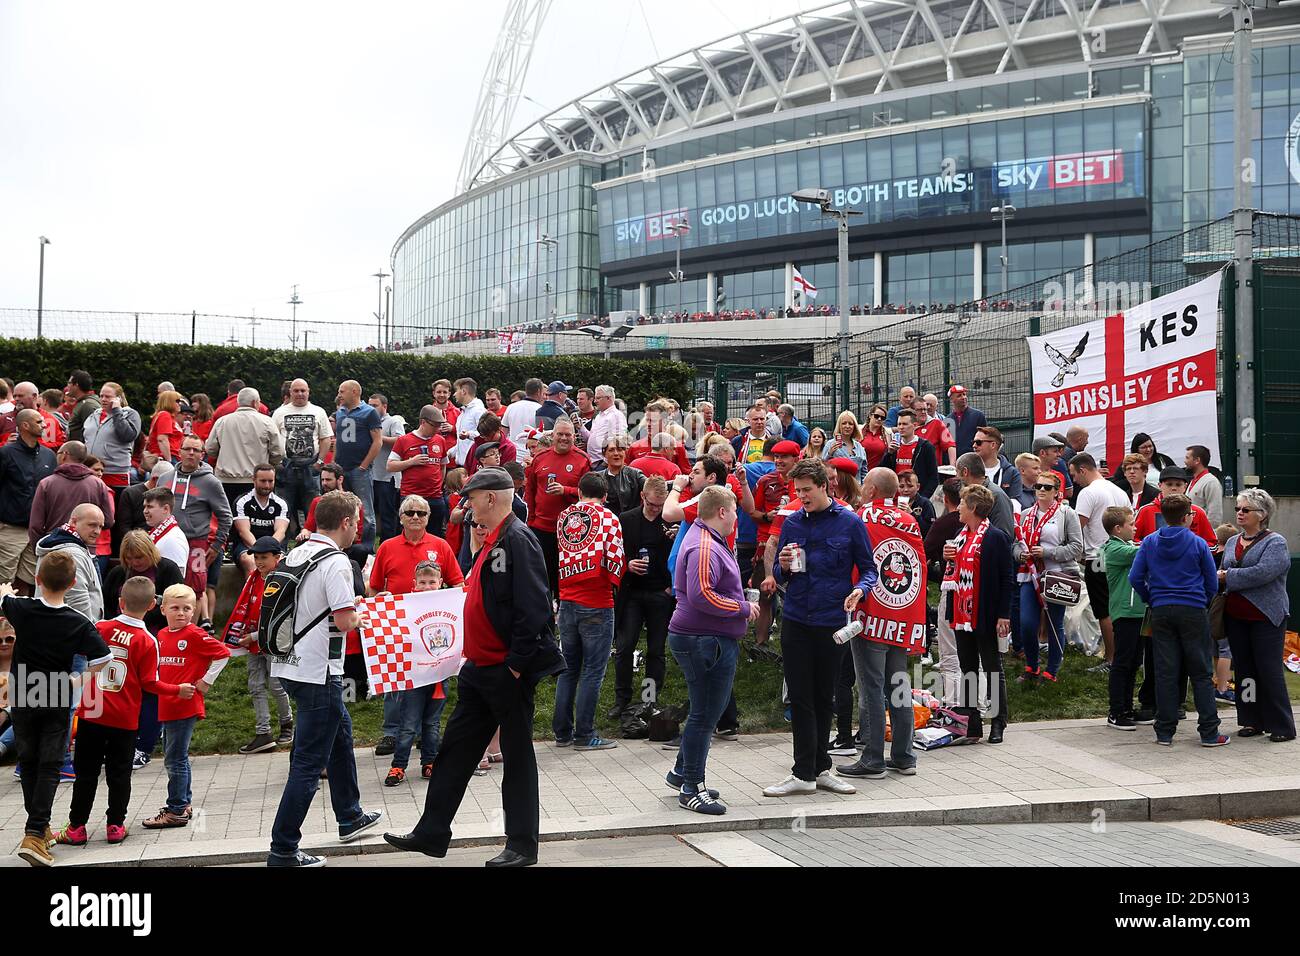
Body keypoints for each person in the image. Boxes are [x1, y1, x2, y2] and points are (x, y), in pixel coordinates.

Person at [384, 467, 563, 867]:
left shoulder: (518, 540)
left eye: (472, 497)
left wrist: (515, 666)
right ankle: (432, 832)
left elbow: (535, 609)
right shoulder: (491, 541)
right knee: (455, 751)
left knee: (517, 758)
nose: (467, 505)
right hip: (479, 669)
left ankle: (521, 845)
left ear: (492, 498)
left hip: (504, 670)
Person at [267, 490, 384, 867]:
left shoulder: (298, 552)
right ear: (347, 523)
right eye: (358, 521)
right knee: (306, 763)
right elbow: (344, 619)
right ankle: (284, 848)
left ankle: (349, 814)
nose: (359, 528)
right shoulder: (335, 561)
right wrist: (369, 614)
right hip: (318, 670)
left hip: (289, 663)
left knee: (341, 733)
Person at [762, 460, 876, 797]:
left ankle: (820, 768)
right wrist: (780, 568)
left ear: (825, 486)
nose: (801, 497)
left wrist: (860, 590)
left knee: (824, 695)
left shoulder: (850, 523)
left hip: (831, 620)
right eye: (797, 491)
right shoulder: (794, 522)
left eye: (807, 490)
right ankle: (802, 772)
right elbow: (785, 575)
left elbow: (870, 569)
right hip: (797, 617)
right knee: (800, 695)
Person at [57, 577, 194, 849]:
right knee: (119, 775)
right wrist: (176, 689)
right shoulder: (147, 640)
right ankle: (115, 826)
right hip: (125, 718)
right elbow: (149, 683)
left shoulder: (100, 627)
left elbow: (80, 655)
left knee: (86, 773)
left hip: (92, 713)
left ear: (120, 602)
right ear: (154, 605)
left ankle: (76, 827)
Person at [1, 554, 112, 866]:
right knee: (50, 764)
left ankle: (39, 828)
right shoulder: (77, 622)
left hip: (23, 694)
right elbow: (103, 658)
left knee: (29, 762)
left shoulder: (21, 609)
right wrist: (79, 681)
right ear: (73, 583)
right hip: (57, 696)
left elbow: (3, 598)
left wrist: (7, 591)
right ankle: (35, 832)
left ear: (37, 580)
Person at [666, 484, 756, 814]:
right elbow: (702, 595)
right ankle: (692, 787)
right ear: (721, 511)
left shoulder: (707, 539)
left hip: (704, 638)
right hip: (704, 638)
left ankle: (681, 773)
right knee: (705, 715)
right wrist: (743, 608)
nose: (736, 516)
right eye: (734, 510)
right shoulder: (705, 546)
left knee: (703, 710)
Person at [836, 467, 927, 778]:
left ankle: (873, 758)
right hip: (902, 614)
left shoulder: (859, 517)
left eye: (865, 484)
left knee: (871, 687)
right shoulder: (910, 521)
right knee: (899, 686)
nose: (861, 488)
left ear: (872, 490)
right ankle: (904, 756)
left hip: (871, 611)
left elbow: (850, 559)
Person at [1128, 493, 1226, 747]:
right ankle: (1209, 732)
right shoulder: (1197, 543)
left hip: (1161, 609)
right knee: (1201, 672)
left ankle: (1164, 731)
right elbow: (1211, 582)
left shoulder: (1149, 542)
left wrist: (1152, 597)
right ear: (1187, 517)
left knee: (1165, 671)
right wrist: (1202, 601)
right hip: (1193, 609)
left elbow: (1135, 577)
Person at [142, 584, 231, 829]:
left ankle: (176, 808)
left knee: (174, 759)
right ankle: (185, 803)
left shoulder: (194, 634)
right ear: (163, 610)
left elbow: (223, 653)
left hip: (184, 704)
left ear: (194, 611)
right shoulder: (161, 635)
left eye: (187, 609)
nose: (181, 613)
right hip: (167, 703)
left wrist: (205, 682)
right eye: (175, 608)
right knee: (177, 757)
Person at [552, 472, 624, 752]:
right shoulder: (609, 517)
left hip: (567, 600)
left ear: (579, 492)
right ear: (605, 495)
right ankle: (585, 734)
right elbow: (616, 560)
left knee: (568, 669)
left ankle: (562, 733)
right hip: (597, 601)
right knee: (593, 671)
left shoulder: (564, 516)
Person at [1220, 489, 1294, 743]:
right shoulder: (1232, 542)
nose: (1239, 513)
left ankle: (1281, 724)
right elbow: (1223, 568)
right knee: (1245, 670)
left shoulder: (1276, 542)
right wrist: (1225, 575)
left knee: (1269, 669)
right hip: (1236, 616)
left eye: (1245, 510)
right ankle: (1251, 720)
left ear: (1261, 515)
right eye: (1238, 509)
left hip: (1266, 616)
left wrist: (1229, 577)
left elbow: (1263, 573)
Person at [942, 484, 1014, 742]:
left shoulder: (994, 537)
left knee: (993, 667)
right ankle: (972, 723)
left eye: (961, 504)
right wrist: (946, 558)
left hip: (983, 612)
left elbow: (1007, 578)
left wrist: (1003, 615)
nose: (958, 508)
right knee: (968, 667)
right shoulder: (960, 536)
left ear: (972, 507)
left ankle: (998, 721)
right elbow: (950, 574)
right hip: (962, 614)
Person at [611, 476, 676, 721]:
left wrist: (671, 587)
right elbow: (614, 553)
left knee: (656, 650)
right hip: (633, 592)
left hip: (660, 591)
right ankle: (622, 699)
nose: (656, 510)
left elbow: (679, 555)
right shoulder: (626, 520)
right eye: (652, 505)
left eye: (660, 505)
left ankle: (649, 699)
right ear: (643, 497)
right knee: (626, 646)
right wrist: (628, 564)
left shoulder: (670, 520)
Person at [225, 537, 295, 755]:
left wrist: (254, 636)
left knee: (277, 686)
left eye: (264, 557)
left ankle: (287, 724)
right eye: (256, 557)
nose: (259, 562)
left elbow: (284, 618)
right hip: (253, 642)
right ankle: (263, 732)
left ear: (278, 557)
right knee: (255, 686)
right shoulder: (253, 579)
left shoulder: (282, 580)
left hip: (273, 643)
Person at [384, 561, 452, 785]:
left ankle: (429, 762)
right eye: (422, 582)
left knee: (432, 723)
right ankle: (398, 766)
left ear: (440, 583)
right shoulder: (407, 604)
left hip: (440, 674)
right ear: (414, 584)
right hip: (414, 674)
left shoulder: (449, 602)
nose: (427, 586)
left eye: (432, 582)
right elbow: (390, 619)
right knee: (409, 724)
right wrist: (381, 602)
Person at [1013, 469, 1081, 683]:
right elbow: (1016, 544)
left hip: (1057, 575)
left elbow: (1077, 548)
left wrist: (1048, 552)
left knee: (1054, 623)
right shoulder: (1026, 514)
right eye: (1038, 486)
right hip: (1029, 575)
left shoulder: (1066, 514)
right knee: (1027, 623)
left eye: (1047, 487)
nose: (1041, 490)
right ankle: (1032, 666)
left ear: (1056, 491)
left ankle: (1052, 670)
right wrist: (1020, 554)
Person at [165, 435, 232, 629]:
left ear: (202, 454)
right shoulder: (165, 478)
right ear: (179, 451)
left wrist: (217, 545)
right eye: (187, 449)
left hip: (197, 543)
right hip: (167, 541)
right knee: (167, 589)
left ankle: (188, 634)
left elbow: (226, 516)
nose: (191, 453)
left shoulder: (210, 482)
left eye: (196, 450)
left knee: (195, 590)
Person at [1070, 452, 1130, 672]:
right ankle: (1123, 657)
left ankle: (1112, 659)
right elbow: (1128, 524)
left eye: (1074, 475)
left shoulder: (1088, 492)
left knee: (1104, 611)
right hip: (1119, 555)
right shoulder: (1120, 491)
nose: (1074, 480)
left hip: (1097, 558)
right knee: (1118, 609)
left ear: (1083, 470)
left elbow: (1077, 527)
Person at [524, 417, 589, 597]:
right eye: (559, 434)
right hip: (541, 527)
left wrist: (565, 491)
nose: (563, 438)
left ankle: (564, 607)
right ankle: (546, 608)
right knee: (542, 572)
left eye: (568, 434)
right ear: (552, 436)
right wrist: (531, 521)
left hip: (571, 531)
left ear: (574, 437)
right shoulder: (540, 458)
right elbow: (530, 491)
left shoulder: (583, 460)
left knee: (566, 573)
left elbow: (589, 494)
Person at [0, 410, 57, 591]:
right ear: (25, 425)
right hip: (10, 529)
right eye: (39, 421)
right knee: (4, 583)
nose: (44, 424)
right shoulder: (6, 453)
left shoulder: (49, 456)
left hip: (38, 532)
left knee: (31, 583)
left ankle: (20, 619)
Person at [1100, 506, 1146, 730]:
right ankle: (1116, 711)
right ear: (1117, 529)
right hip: (1125, 613)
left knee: (1134, 663)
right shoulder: (1114, 549)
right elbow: (1140, 553)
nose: (1135, 527)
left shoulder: (1127, 545)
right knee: (1122, 663)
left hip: (1138, 612)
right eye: (1131, 524)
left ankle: (1127, 707)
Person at [272, 378, 333, 533]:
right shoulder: (279, 413)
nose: (300, 393)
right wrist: (277, 462)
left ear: (308, 392)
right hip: (286, 468)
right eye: (296, 390)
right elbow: (271, 438)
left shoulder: (319, 411)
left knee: (314, 511)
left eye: (303, 390)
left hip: (310, 468)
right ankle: (280, 548)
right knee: (282, 510)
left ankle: (314, 547)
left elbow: (326, 438)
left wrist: (319, 462)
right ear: (290, 392)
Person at [27, 440, 116, 548]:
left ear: (64, 455)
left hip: (54, 547)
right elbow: (108, 521)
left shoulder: (46, 483)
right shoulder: (98, 484)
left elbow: (35, 526)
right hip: (86, 548)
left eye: (58, 453)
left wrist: (39, 548)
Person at [103, 530, 185, 635]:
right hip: (120, 632)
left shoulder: (169, 570)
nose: (134, 562)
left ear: (150, 552)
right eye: (129, 558)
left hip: (158, 633)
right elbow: (105, 603)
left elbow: (178, 603)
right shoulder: (118, 573)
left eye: (139, 557)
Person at [34, 503, 106, 622]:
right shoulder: (73, 555)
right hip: (73, 632)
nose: (97, 531)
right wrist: (88, 633)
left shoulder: (62, 544)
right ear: (73, 522)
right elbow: (77, 601)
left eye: (100, 527)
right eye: (92, 525)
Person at [333, 379, 383, 549]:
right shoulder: (340, 412)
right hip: (341, 468)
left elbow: (378, 442)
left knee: (366, 511)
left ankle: (368, 549)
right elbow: (338, 440)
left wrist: (364, 465)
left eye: (342, 391)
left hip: (359, 469)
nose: (339, 395)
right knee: (342, 508)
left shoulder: (369, 413)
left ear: (354, 392)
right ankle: (344, 544)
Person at [390, 406, 453, 537]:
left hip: (435, 497)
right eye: (434, 425)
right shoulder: (404, 440)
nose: (437, 429)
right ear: (423, 422)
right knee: (409, 533)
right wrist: (411, 462)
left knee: (434, 534)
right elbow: (390, 466)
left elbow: (442, 465)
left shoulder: (440, 440)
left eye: (439, 426)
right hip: (411, 496)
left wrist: (439, 485)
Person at [1134, 467, 1217, 547]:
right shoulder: (1146, 511)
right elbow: (1132, 540)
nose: (1173, 488)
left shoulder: (1197, 512)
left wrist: (1193, 548)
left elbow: (1212, 544)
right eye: (1169, 484)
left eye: (1178, 485)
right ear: (1160, 485)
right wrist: (1152, 548)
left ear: (1185, 487)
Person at [231, 465, 289, 575]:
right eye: (263, 481)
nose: (267, 485)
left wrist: (269, 550)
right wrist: (260, 550)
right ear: (254, 480)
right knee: (251, 561)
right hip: (247, 545)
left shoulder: (281, 503)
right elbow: (244, 532)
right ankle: (253, 592)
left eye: (270, 481)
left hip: (273, 546)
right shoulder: (242, 502)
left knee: (280, 562)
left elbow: (281, 532)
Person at [82, 381, 140, 492]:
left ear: (118, 398)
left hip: (115, 473)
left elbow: (128, 436)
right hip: (91, 470)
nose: (103, 399)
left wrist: (117, 412)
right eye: (101, 396)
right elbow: (84, 437)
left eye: (108, 397)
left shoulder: (130, 414)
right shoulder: (94, 414)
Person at [367, 394, 405, 543]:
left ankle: (388, 545)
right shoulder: (367, 422)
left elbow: (400, 441)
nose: (371, 409)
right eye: (369, 406)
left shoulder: (393, 421)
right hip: (370, 475)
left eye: (375, 406)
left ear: (384, 406)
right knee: (370, 513)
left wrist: (378, 437)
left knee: (387, 515)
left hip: (387, 477)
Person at [954, 452, 1014, 536]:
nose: (956, 477)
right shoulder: (966, 493)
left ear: (965, 472)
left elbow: (1005, 536)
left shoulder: (997, 495)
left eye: (957, 472)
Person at [885, 411, 938, 497]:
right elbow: (884, 471)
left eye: (905, 424)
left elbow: (933, 478)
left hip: (916, 498)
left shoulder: (925, 447)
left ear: (915, 425)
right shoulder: (893, 446)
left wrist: (922, 499)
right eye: (899, 424)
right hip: (895, 499)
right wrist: (889, 454)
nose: (901, 427)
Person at [972, 427, 1022, 504]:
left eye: (978, 442)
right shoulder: (969, 470)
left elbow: (1015, 504)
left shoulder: (1012, 473)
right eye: (973, 442)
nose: (974, 445)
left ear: (993, 445)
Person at [600, 435, 644, 517]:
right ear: (604, 454)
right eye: (611, 450)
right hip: (606, 523)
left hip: (631, 523)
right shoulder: (598, 477)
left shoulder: (635, 475)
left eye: (620, 450)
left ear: (625, 453)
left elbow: (651, 487)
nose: (616, 453)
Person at [585, 385, 628, 467]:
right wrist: (581, 428)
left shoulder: (616, 416)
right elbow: (591, 436)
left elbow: (619, 440)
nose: (595, 401)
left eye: (598, 398)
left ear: (609, 398)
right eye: (595, 398)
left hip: (603, 464)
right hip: (593, 462)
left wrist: (606, 462)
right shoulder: (599, 416)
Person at [465, 413, 517, 477]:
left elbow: (507, 476)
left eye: (489, 436)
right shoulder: (477, 444)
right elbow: (467, 468)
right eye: (483, 436)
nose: (486, 439)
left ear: (499, 429)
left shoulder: (509, 448)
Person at [1184, 445, 1224, 525]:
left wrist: (1206, 534)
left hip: (1202, 534)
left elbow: (1215, 515)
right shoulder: (1193, 481)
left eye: (1187, 458)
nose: (1185, 461)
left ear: (1197, 460)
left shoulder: (1211, 482)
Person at [911, 396, 956, 468]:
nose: (923, 412)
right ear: (912, 411)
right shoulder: (908, 426)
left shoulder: (936, 423)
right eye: (919, 410)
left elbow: (951, 445)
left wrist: (952, 467)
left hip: (932, 472)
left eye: (925, 409)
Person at [824, 411, 870, 481]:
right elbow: (822, 467)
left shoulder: (859, 447)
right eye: (844, 423)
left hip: (857, 488)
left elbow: (864, 471)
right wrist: (829, 454)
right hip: (837, 488)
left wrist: (863, 488)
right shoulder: (830, 444)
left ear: (854, 426)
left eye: (850, 424)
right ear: (839, 425)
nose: (847, 426)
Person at [451, 377, 486, 468]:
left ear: (463, 391)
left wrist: (468, 435)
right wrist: (449, 453)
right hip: (461, 466)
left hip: (473, 466)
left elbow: (485, 435)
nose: (454, 394)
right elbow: (463, 444)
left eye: (456, 390)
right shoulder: (462, 413)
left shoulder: (479, 411)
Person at [501, 378, 544, 445]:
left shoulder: (511, 407)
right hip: (532, 452)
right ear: (539, 392)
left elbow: (503, 433)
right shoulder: (540, 409)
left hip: (513, 451)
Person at [147, 391, 185, 464]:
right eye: (177, 401)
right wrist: (169, 461)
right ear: (169, 402)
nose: (180, 404)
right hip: (167, 457)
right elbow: (162, 439)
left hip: (170, 456)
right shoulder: (165, 415)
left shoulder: (168, 417)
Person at [63, 371, 101, 444]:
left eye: (69, 383)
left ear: (76, 385)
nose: (68, 386)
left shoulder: (88, 405)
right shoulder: (83, 403)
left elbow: (93, 433)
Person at [897, 469, 935, 538]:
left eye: (910, 486)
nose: (905, 490)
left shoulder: (925, 503)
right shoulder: (894, 503)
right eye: (901, 486)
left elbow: (930, 531)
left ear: (918, 487)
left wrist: (911, 514)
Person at [860, 404, 894, 471]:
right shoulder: (859, 430)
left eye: (882, 418)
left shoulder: (888, 434)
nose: (879, 419)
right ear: (870, 415)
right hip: (860, 472)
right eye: (876, 416)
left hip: (879, 474)